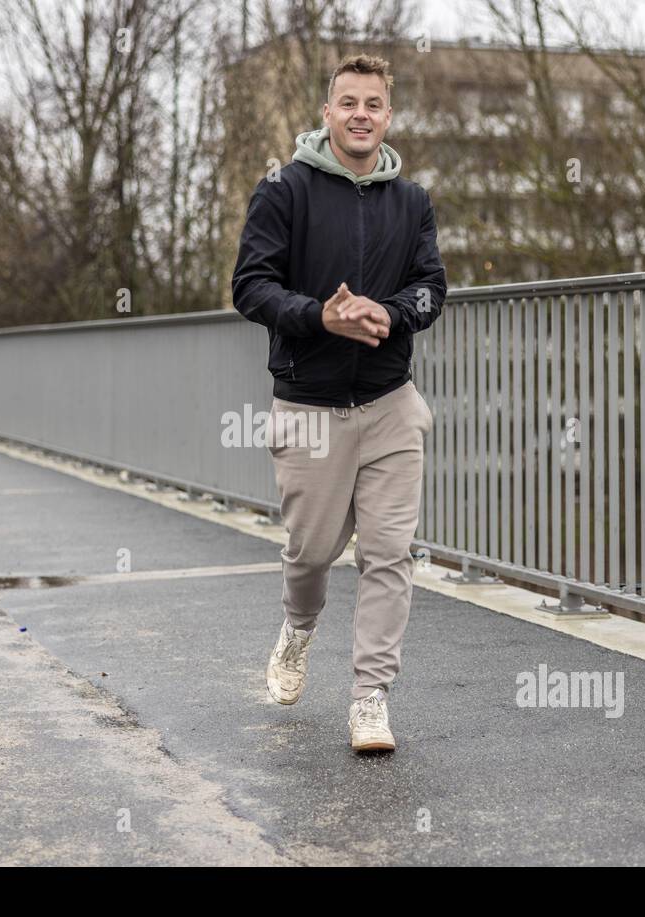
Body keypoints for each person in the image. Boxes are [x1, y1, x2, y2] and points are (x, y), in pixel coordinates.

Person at [230, 53, 447, 752]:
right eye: (348, 102)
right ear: (327, 114)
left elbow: (431, 287)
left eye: (373, 104)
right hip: (311, 407)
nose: (361, 114)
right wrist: (318, 318)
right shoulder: (284, 191)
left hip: (390, 403)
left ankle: (370, 699)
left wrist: (392, 313)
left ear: (388, 117)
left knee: (389, 555)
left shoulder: (411, 202)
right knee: (312, 551)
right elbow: (250, 286)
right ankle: (297, 629)